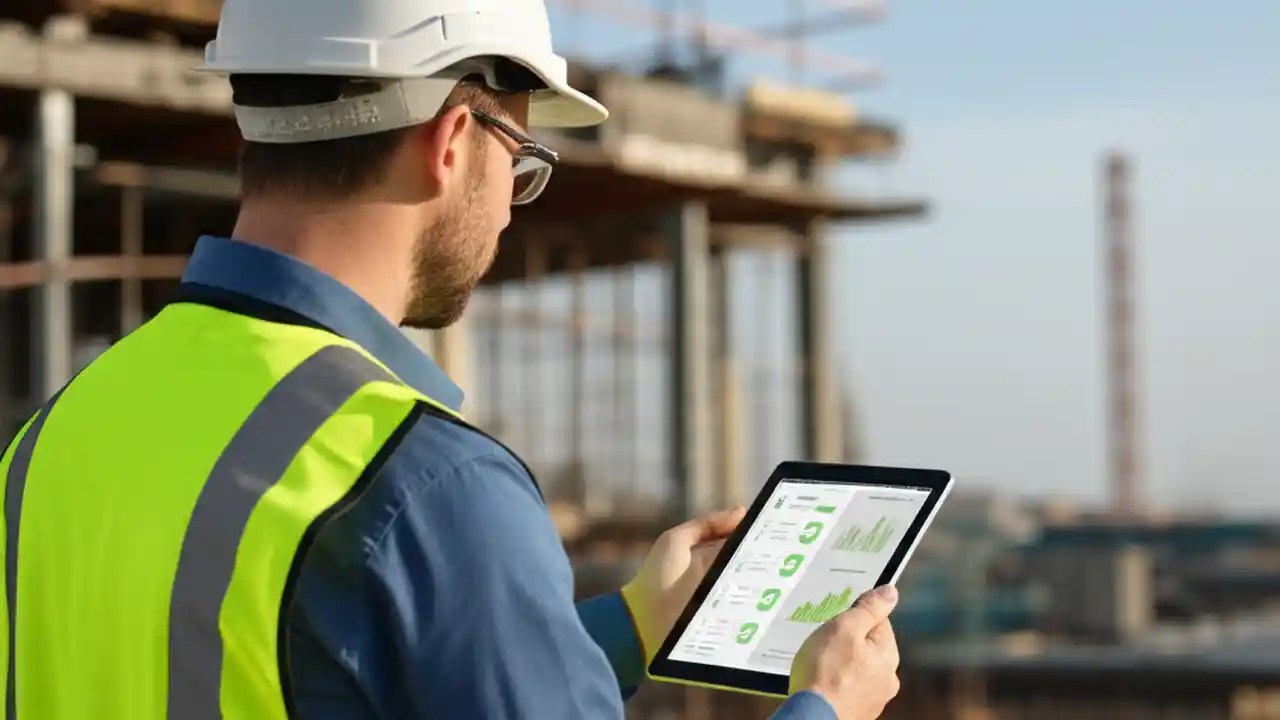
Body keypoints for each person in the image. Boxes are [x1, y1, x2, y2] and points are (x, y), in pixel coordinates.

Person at [0, 0, 901, 717]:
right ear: (452, 143)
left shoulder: (54, 431)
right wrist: (825, 707)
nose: (513, 206)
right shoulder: (423, 484)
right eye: (523, 155)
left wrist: (632, 624)